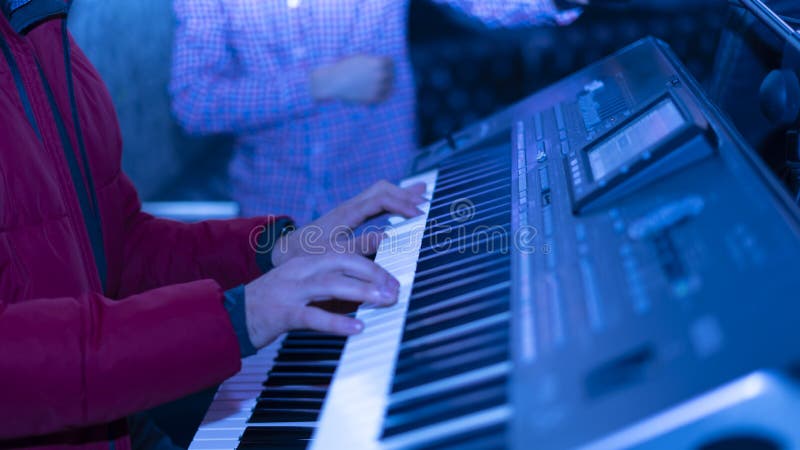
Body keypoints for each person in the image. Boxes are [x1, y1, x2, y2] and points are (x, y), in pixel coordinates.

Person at [0, 1, 426, 449]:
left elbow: (119, 249)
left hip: (118, 423)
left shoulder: (39, 26)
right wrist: (238, 316)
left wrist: (273, 250)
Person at [170, 0, 585, 224]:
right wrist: (322, 83)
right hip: (271, 221)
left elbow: (489, 5)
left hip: (383, 209)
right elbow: (194, 102)